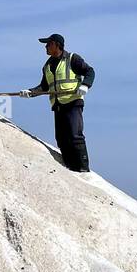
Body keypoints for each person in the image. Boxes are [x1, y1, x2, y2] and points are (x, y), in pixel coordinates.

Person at [22, 33, 94, 172]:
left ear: (56, 44)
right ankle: (70, 167)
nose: (45, 47)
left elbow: (90, 71)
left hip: (73, 102)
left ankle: (83, 169)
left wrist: (85, 85)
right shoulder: (47, 66)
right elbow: (44, 87)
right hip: (58, 106)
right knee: (61, 139)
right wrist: (30, 92)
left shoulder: (72, 59)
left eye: (48, 44)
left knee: (75, 135)